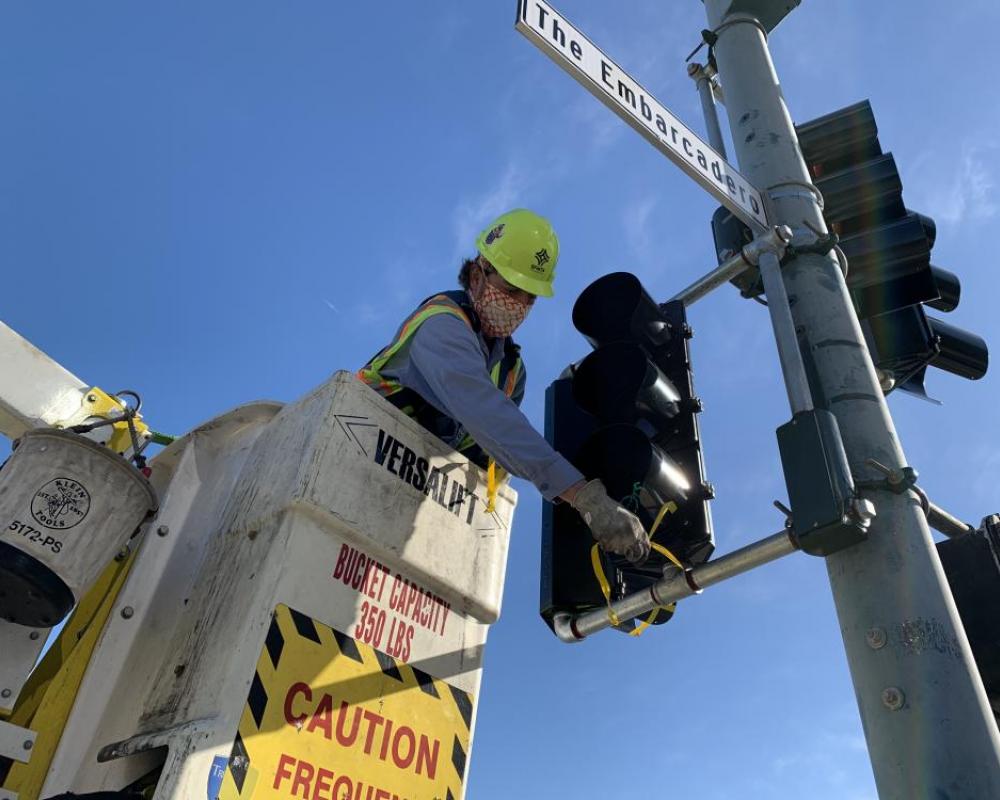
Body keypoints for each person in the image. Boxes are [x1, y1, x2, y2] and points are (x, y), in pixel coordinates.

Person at [357, 208, 649, 563]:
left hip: (404, 509)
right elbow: (491, 418)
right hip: (354, 462)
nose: (519, 306)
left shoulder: (511, 373)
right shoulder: (440, 325)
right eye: (512, 290)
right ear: (478, 276)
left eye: (530, 298)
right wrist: (583, 496)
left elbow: (492, 461)